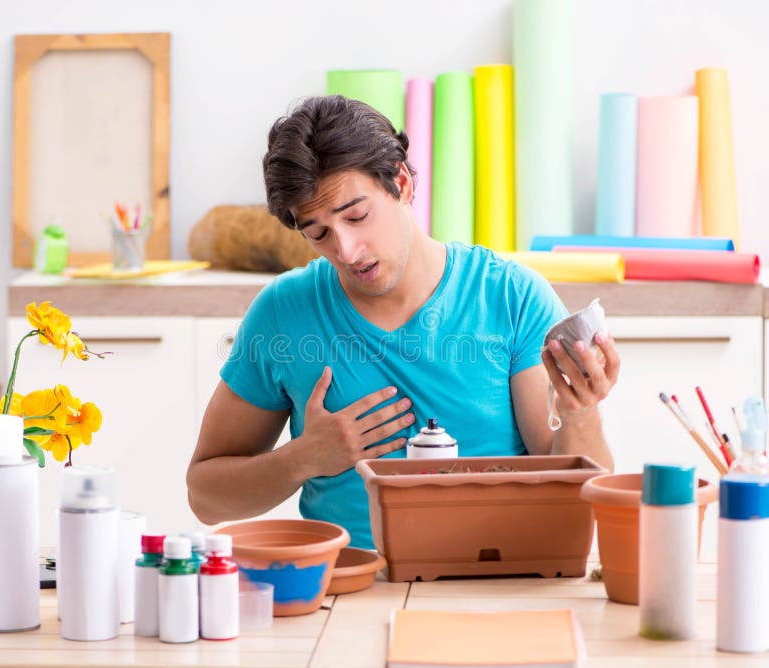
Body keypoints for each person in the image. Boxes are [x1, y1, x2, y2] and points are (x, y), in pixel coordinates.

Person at [187, 95, 619, 548]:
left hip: (495, 582)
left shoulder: (511, 298)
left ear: (403, 183)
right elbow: (206, 497)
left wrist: (580, 411)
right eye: (318, 233)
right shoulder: (284, 313)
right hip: (349, 587)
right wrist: (302, 459)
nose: (347, 251)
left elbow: (584, 499)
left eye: (357, 216)